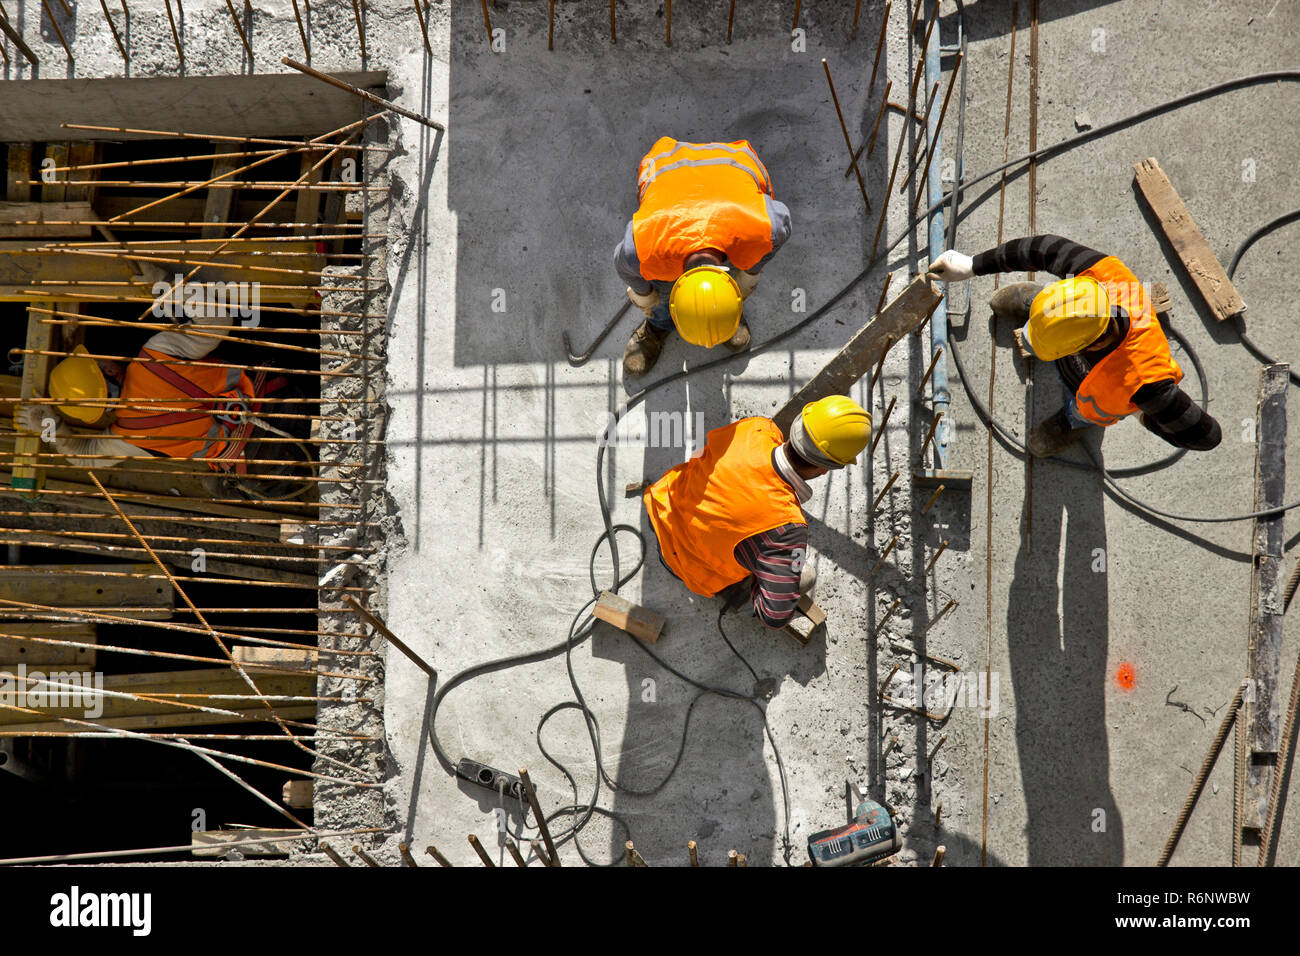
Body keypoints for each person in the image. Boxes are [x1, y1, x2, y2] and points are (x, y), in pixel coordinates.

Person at [927, 235, 1222, 456]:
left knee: (1082, 411)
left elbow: (1207, 436)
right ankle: (1037, 303)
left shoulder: (1146, 382)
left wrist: (1141, 413)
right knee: (1048, 310)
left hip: (1091, 401)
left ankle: (1074, 422)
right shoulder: (1104, 275)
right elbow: (1041, 249)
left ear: (1083, 347)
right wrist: (972, 265)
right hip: (1068, 319)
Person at [642, 395, 871, 630]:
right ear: (825, 469)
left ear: (797, 424)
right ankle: (733, 589)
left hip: (662, 508)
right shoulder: (786, 529)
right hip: (683, 564)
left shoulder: (756, 428)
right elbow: (775, 616)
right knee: (805, 576)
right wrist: (766, 567)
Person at [614, 137, 792, 377]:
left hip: (735, 160)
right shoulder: (643, 249)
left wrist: (750, 273)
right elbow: (623, 265)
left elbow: (781, 224)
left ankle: (720, 313)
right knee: (659, 288)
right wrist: (645, 296)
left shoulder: (762, 228)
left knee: (731, 271)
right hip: (667, 162)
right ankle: (660, 323)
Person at [19, 309, 262, 471]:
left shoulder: (129, 437)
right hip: (278, 400)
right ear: (110, 372)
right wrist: (172, 288)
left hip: (257, 457)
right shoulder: (156, 354)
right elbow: (218, 321)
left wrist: (51, 429)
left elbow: (83, 456)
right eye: (99, 362)